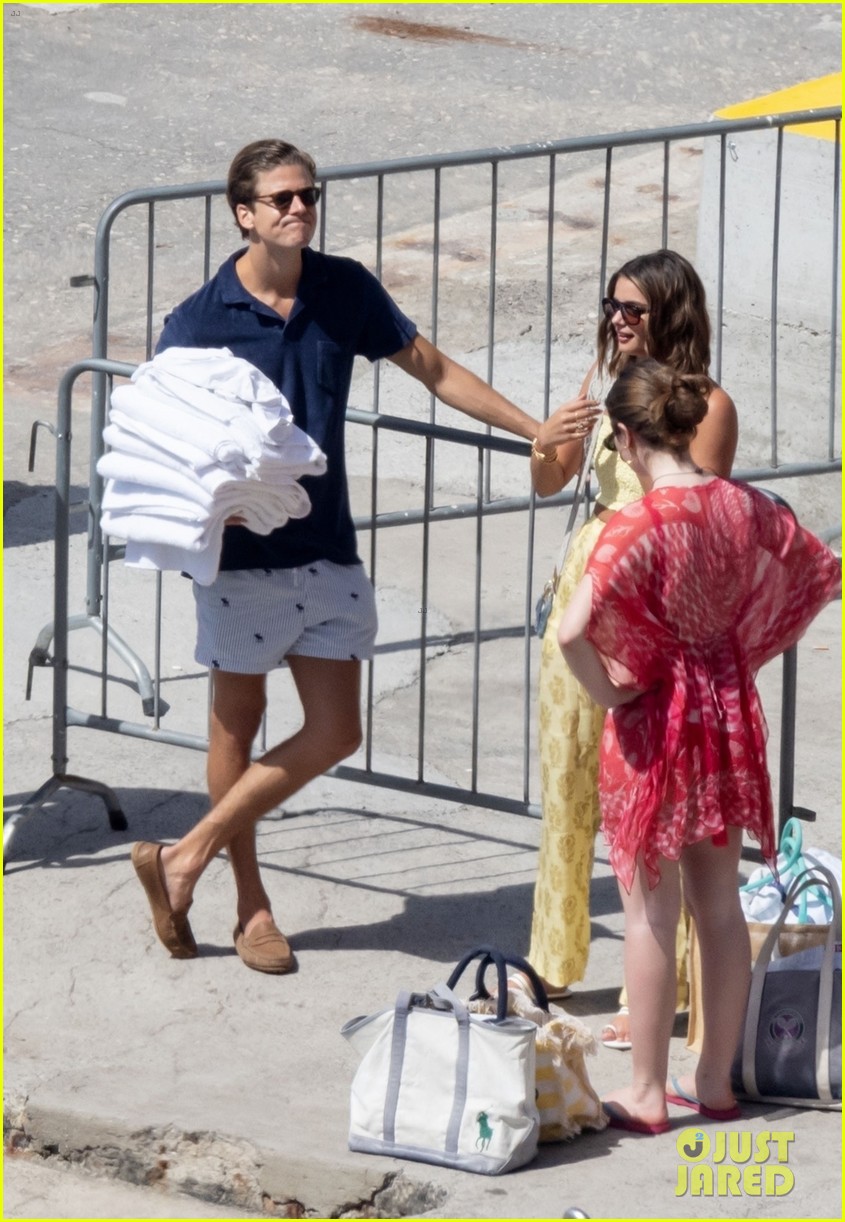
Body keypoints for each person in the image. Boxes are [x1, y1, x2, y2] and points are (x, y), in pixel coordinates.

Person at [129, 138, 594, 972]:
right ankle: (251, 906)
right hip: (241, 563)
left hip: (329, 548)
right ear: (243, 214)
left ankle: (182, 856)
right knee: (237, 727)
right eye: (281, 199)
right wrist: (203, 511)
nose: (299, 208)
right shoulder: (198, 321)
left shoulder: (343, 288)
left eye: (308, 194)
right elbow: (159, 435)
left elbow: (434, 369)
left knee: (337, 731)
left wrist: (537, 432)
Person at [557, 358, 840, 1132]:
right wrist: (741, 646)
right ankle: (712, 1079)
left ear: (623, 436)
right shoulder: (744, 507)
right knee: (716, 907)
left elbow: (573, 629)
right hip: (724, 715)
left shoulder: (635, 525)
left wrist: (609, 688)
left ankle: (646, 1090)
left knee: (649, 910)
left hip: (655, 723)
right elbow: (818, 573)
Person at [527, 250, 738, 1046]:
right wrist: (553, 438)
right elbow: (549, 483)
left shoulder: (704, 406)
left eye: (633, 310)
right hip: (580, 599)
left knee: (649, 808)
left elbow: (697, 517)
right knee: (567, 792)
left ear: (671, 314)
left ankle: (653, 990)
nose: (617, 319)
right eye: (611, 305)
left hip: (645, 608)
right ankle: (551, 958)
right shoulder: (603, 384)